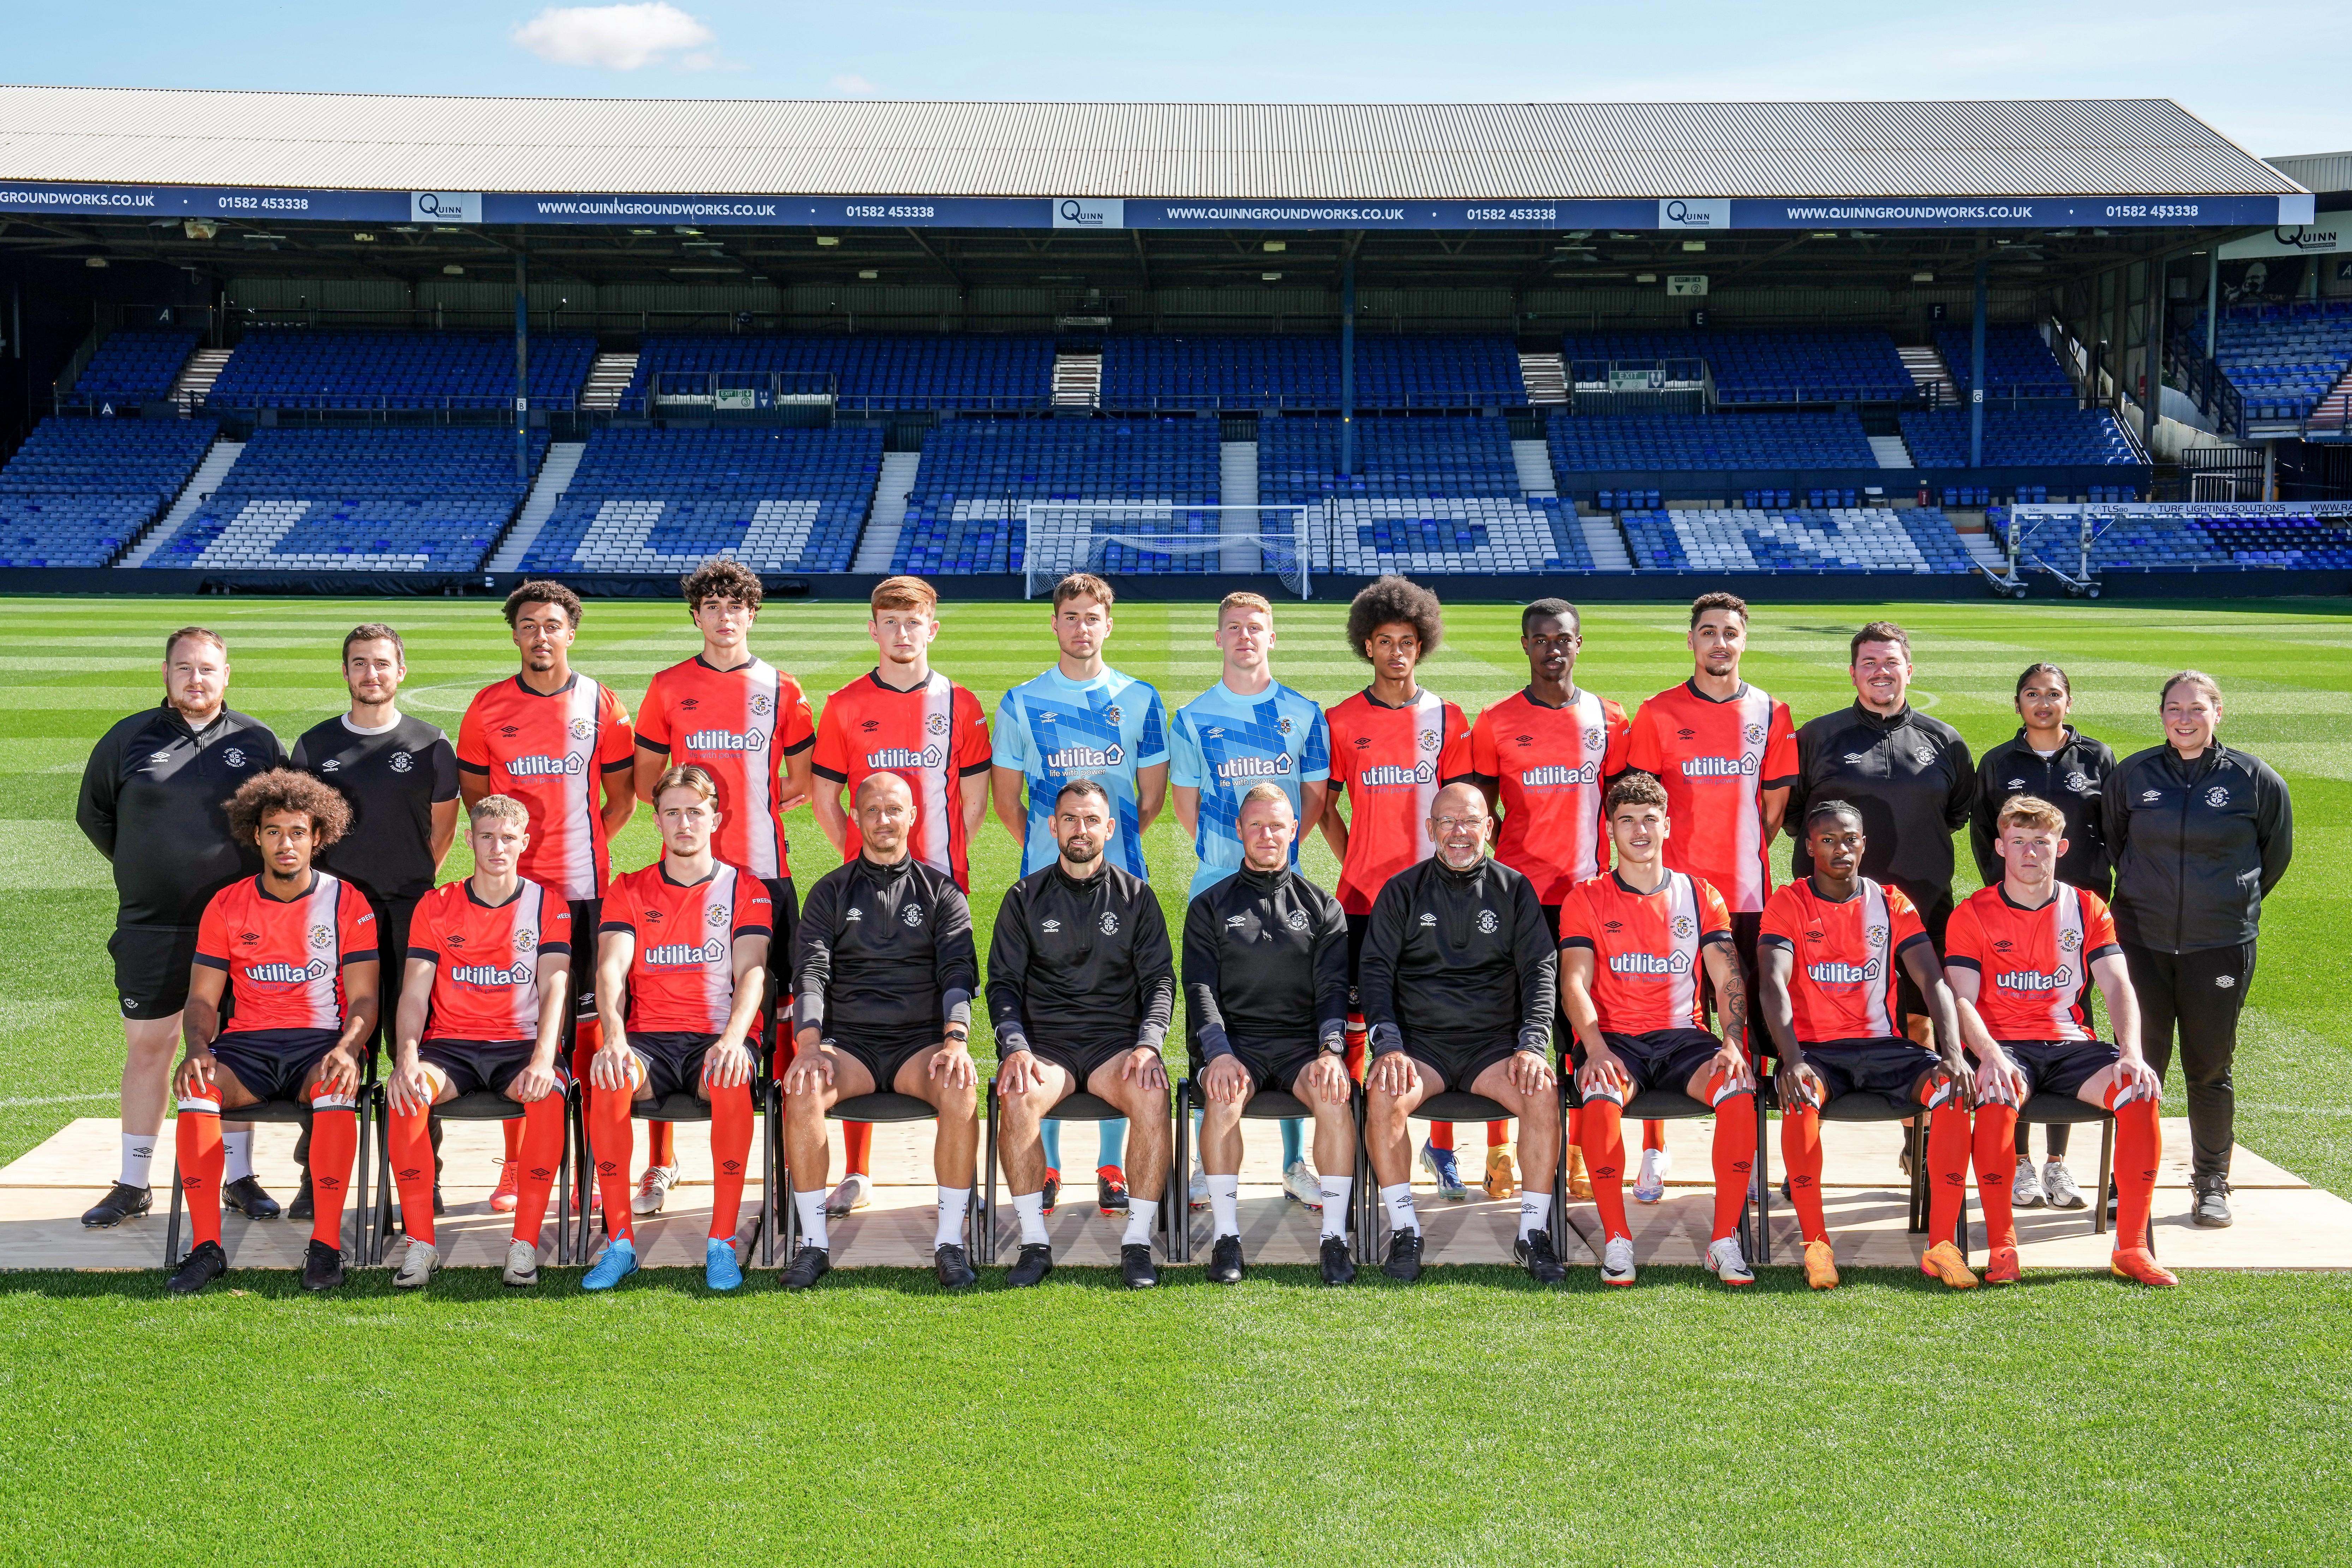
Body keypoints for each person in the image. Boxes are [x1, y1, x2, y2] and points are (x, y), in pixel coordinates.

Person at [78, 626, 287, 1229]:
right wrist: (148, 865)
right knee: (149, 1048)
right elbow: (95, 815)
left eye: (208, 669)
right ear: (166, 675)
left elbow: (281, 822)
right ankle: (134, 1181)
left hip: (243, 926)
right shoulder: (128, 739)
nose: (197, 679)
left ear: (227, 675)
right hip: (153, 925)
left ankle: (240, 1175)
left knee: (235, 1047)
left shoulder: (257, 740)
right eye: (184, 668)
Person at [632, 559, 814, 1220]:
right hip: (683, 880)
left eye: (735, 605)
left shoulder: (782, 687)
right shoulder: (666, 687)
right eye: (711, 604)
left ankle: (790, 1160)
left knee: (781, 1013)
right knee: (663, 1007)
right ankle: (660, 1160)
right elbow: (649, 781)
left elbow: (801, 780)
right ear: (697, 615)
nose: (724, 615)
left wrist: (750, 815)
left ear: (752, 613)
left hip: (764, 873)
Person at [1470, 596, 1664, 1205]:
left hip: (1590, 899)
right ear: (1524, 646)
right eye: (1541, 639)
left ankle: (1579, 1154)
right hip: (1520, 901)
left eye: (1563, 639)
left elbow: (1622, 807)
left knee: (1586, 1030)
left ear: (1579, 645)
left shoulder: (1608, 717)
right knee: (1507, 1026)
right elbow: (1480, 814)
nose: (1553, 649)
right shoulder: (1494, 721)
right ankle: (1499, 1156)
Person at [810, 575, 992, 1219]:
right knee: (853, 1015)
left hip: (941, 890)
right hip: (864, 891)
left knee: (943, 1021)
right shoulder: (842, 704)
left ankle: (954, 1195)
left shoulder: (960, 703)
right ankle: (856, 1170)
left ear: (931, 629)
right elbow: (826, 799)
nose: (901, 633)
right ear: (873, 629)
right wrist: (857, 856)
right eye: (889, 622)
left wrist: (935, 872)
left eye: (913, 623)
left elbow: (972, 802)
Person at [989, 573, 1169, 1219]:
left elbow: (1147, 801)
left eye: (1093, 616)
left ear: (1108, 623)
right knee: (1045, 1018)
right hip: (1045, 885)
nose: (1081, 627)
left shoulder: (1140, 699)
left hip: (1121, 881)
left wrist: (1102, 851)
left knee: (1118, 1015)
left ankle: (1113, 1165)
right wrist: (1054, 855)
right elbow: (1009, 803)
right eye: (1070, 616)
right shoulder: (1021, 701)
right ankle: (1050, 1165)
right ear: (1055, 623)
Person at [454, 581, 638, 1207]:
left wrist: (580, 847)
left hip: (585, 894)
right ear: (515, 634)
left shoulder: (601, 702)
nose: (540, 635)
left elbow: (621, 798)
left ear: (571, 632)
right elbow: (480, 803)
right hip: (513, 898)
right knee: (518, 1027)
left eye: (552, 625)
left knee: (588, 1027)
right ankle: (516, 1165)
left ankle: (588, 1159)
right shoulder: (486, 708)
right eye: (528, 625)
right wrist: (516, 863)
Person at [1945, 795, 2175, 1287]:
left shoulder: (2086, 907)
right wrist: (1986, 1055)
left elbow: (2115, 984)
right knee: (1993, 1092)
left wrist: (2132, 1053)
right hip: (2004, 1044)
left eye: (2041, 843)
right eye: (2019, 842)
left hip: (2071, 1044)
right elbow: (1960, 1000)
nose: (2030, 853)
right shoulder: (1972, 913)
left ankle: (2131, 1247)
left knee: (2139, 1090)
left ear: (2061, 846)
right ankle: (2003, 1247)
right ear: (2000, 847)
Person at [164, 770, 379, 1295]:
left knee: (335, 1087)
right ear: (255, 836)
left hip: (320, 1042)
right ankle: (207, 1247)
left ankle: (325, 1245)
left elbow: (366, 998)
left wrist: (350, 1049)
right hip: (249, 1046)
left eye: (298, 831)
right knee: (197, 1088)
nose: (287, 843)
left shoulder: (348, 902)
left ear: (318, 836)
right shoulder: (227, 904)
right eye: (274, 831)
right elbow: (201, 998)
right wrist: (196, 1048)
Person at [1757, 800, 1982, 1291]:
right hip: (1817, 1052)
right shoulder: (1788, 902)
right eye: (1828, 840)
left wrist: (1952, 1052)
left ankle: (1941, 1245)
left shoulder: (1889, 902)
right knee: (1799, 1097)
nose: (1841, 849)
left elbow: (1933, 981)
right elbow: (1771, 983)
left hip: (1882, 1045)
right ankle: (1816, 1244)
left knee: (1952, 1091)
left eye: (1850, 839)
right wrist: (1790, 1058)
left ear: (1864, 842)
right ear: (1809, 846)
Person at [1318, 576, 1491, 1202]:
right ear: (1367, 646)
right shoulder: (1340, 718)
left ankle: (1441, 1148)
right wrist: (1357, 855)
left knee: (1442, 1021)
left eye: (1408, 642)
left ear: (1422, 647)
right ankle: (1367, 1138)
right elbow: (1324, 808)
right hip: (1363, 897)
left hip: (1439, 899)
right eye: (1385, 641)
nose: (1396, 652)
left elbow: (1460, 809)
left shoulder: (1446, 716)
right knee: (1360, 1023)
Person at [2103, 671, 2293, 1228]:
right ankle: (2125, 1180)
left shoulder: (2253, 778)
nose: (2183, 718)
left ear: (2218, 713)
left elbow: (2271, 855)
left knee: (2209, 1068)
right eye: (2172, 708)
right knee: (2139, 1062)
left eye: (2195, 708)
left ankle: (2210, 1181)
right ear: (2160, 715)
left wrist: (2226, 901)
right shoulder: (2133, 774)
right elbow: (2117, 843)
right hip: (2140, 942)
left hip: (2219, 945)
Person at [780, 773, 983, 1291]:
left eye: (893, 809)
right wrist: (808, 1046)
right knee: (801, 1086)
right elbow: (811, 972)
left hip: (920, 1046)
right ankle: (812, 1245)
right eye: (871, 810)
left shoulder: (941, 892)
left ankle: (948, 1242)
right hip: (850, 1046)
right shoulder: (829, 890)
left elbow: (958, 972)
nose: (883, 820)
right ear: (856, 817)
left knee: (961, 1085)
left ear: (912, 815)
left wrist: (955, 1038)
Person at [1359, 783, 1565, 1285]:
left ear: (1487, 828)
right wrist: (1387, 1044)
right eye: (1447, 822)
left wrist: (1531, 1045)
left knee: (1541, 1092)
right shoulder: (1402, 889)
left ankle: (1532, 1232)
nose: (1459, 833)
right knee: (1383, 1093)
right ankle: (1405, 1230)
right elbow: (1374, 971)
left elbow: (1541, 969)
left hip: (1493, 1049)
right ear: (1429, 828)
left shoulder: (1514, 889)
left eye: (1470, 821)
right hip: (1420, 1047)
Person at [1558, 774, 1757, 1287]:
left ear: (1667, 825)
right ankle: (1618, 1240)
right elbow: (1573, 982)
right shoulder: (1585, 897)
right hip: (1617, 1040)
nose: (1639, 830)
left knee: (1737, 1089)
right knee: (1600, 1093)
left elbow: (1727, 976)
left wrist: (1734, 1042)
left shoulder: (1699, 894)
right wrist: (1595, 1048)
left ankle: (1722, 1240)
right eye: (1626, 820)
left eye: (1649, 819)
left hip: (1683, 1039)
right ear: (1609, 831)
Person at [289, 622, 459, 1222]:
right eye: (360, 663)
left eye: (382, 663)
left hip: (410, 914)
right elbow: (303, 832)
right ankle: (318, 1174)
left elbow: (441, 830)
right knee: (335, 1043)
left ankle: (422, 1174)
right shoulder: (313, 746)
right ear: (345, 672)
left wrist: (408, 882)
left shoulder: (431, 744)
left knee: (411, 1043)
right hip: (335, 917)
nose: (371, 674)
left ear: (401, 671)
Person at [582, 765, 773, 1292]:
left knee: (733, 1077)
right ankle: (619, 1243)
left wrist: (734, 1039)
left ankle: (721, 1242)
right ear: (658, 820)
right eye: (673, 813)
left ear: (716, 816)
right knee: (609, 1077)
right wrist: (614, 1039)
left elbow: (751, 970)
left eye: (695, 811)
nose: (684, 823)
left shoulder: (746, 888)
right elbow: (610, 971)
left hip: (717, 1034)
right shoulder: (628, 888)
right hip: (649, 1038)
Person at [1168, 591, 1331, 1209]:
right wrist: (1225, 853)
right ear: (1218, 637)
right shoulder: (1192, 717)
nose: (1244, 636)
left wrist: (1277, 854)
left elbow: (1312, 800)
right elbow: (1186, 803)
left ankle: (1295, 1162)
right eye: (1233, 627)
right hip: (1215, 881)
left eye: (1255, 627)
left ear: (1272, 636)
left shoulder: (1302, 712)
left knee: (1288, 1013)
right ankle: (1212, 1160)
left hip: (1283, 885)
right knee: (1213, 1016)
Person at [988, 780, 1175, 1289]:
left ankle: (1136, 1242)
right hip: (1046, 1048)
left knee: (1154, 1092)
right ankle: (1033, 1242)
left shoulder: (1137, 897)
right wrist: (1015, 1046)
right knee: (1017, 1092)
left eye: (1091, 819)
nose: (1080, 829)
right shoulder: (1023, 897)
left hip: (1116, 1048)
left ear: (1109, 828)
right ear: (1052, 826)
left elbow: (1160, 979)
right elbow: (1002, 983)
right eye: (1069, 818)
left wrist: (1148, 1043)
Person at [384, 794, 572, 1289]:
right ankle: (421, 1243)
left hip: (519, 1047)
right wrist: (406, 1055)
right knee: (406, 1096)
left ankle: (524, 1242)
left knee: (549, 1094)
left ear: (524, 842)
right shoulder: (438, 904)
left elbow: (555, 985)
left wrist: (543, 1058)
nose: (497, 847)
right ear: (469, 839)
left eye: (508, 838)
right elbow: (415, 990)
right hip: (451, 1049)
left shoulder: (545, 903)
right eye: (486, 836)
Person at [1184, 784, 1358, 1286]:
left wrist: (1329, 1051)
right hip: (1235, 1045)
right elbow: (1198, 988)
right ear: (1238, 830)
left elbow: (1331, 989)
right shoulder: (1210, 905)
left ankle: (1333, 1237)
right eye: (1255, 825)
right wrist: (1217, 1053)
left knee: (1333, 1094)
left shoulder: (1322, 907)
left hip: (1300, 1046)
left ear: (1293, 831)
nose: (1266, 834)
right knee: (1221, 1097)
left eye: (1276, 825)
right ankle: (1226, 1236)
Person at [1624, 593, 1797, 1071]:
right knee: (1674, 1012)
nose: (1718, 642)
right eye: (1708, 632)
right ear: (1690, 641)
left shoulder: (1770, 712)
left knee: (1752, 1009)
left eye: (1729, 633)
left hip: (1745, 891)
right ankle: (1665, 1130)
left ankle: (1757, 1116)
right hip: (1675, 893)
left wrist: (1738, 848)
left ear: (1743, 641)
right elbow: (1640, 806)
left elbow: (1774, 807)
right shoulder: (1657, 712)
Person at [1968, 661, 2117, 1212]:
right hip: (2011, 913)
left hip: (2077, 916)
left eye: (2053, 694)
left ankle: (2057, 1164)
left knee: (2069, 1025)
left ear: (2067, 702)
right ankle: (2021, 1164)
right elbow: (1984, 833)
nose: (2043, 703)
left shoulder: (2097, 758)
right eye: (2032, 694)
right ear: (2017, 704)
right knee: (2008, 1025)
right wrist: (2008, 898)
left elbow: (2114, 830)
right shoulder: (1997, 763)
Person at [1788, 622, 1973, 1046]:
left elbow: (1955, 812)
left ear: (1910, 669)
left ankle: (1917, 1115)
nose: (1881, 671)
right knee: (1829, 1021)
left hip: (1922, 904)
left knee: (1920, 1021)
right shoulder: (1817, 737)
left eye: (1891, 662)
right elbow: (1796, 816)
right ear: (1852, 672)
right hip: (1832, 911)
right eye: (1869, 662)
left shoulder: (1945, 740)